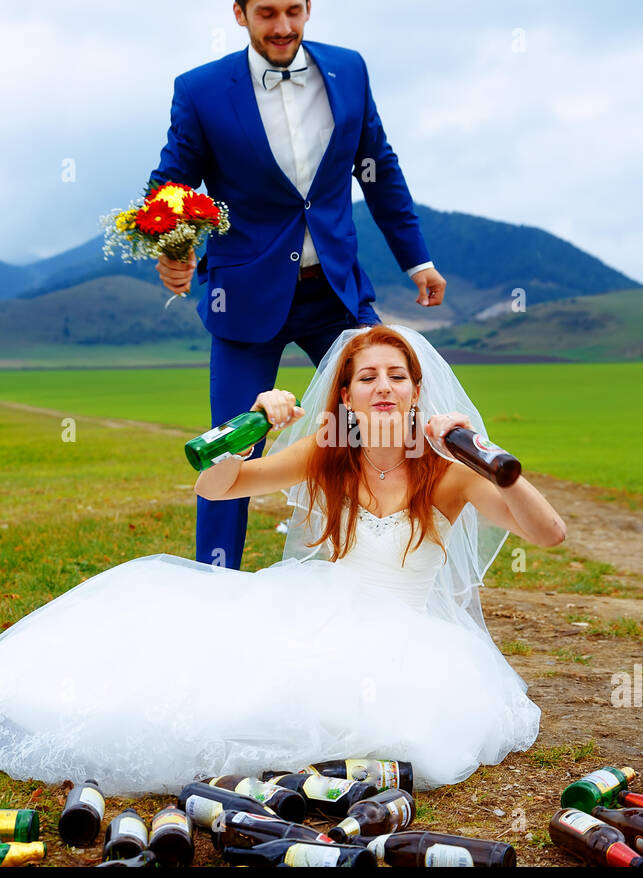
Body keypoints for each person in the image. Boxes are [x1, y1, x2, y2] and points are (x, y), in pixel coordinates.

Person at [0, 326, 565, 794]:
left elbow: (550, 533)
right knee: (154, 622)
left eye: (397, 376)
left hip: (400, 638)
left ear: (417, 392)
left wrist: (488, 459)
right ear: (348, 397)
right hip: (308, 604)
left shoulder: (451, 474)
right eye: (367, 377)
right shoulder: (325, 455)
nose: (382, 386)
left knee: (279, 713)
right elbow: (215, 487)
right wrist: (253, 430)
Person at [150, 0, 448, 571]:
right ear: (239, 14)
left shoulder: (350, 69)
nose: (283, 26)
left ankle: (396, 565)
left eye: (294, 11)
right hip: (243, 298)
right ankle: (215, 581)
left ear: (310, 8)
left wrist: (417, 261)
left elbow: (377, 167)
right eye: (267, 13)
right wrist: (172, 251)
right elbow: (172, 184)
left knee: (393, 422)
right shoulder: (200, 90)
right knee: (231, 443)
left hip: (337, 291)